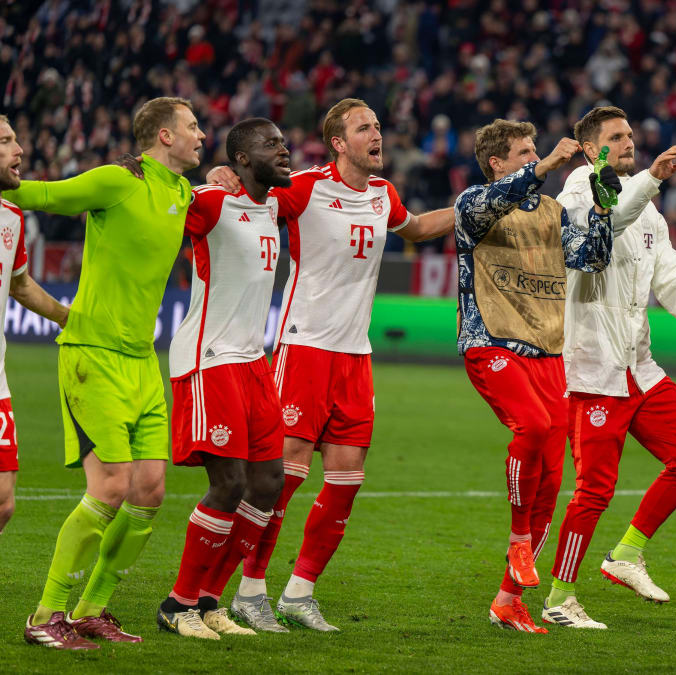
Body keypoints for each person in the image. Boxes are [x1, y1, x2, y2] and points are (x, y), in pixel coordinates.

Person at [207, 98, 455, 632]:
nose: (377, 135)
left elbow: (415, 228)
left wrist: (473, 206)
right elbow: (249, 196)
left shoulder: (383, 193)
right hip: (305, 350)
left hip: (355, 357)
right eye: (364, 128)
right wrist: (219, 175)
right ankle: (250, 591)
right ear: (339, 143)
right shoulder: (305, 187)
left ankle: (300, 593)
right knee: (281, 480)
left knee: (346, 481)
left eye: (378, 126)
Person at [7, 97, 203, 648]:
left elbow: (222, 197)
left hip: (143, 361)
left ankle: (91, 609)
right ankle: (45, 615)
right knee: (112, 486)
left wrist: (222, 179)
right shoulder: (117, 180)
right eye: (192, 126)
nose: (201, 134)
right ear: (164, 135)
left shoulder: (183, 192)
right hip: (92, 356)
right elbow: (44, 195)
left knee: (150, 491)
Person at [542, 106, 676, 629]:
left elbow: (669, 273)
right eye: (616, 136)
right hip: (594, 368)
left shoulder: (648, 207)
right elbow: (607, 224)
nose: (628, 141)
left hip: (639, 365)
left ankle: (626, 554)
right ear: (591, 150)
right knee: (594, 491)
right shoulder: (578, 192)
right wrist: (652, 178)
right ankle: (559, 598)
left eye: (630, 134)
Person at [455, 118, 616, 633]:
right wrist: (545, 165)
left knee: (551, 481)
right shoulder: (472, 204)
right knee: (532, 426)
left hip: (548, 352)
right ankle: (519, 538)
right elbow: (497, 198)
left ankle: (508, 599)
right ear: (496, 163)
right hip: (492, 342)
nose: (533, 157)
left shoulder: (552, 211)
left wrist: (602, 211)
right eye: (523, 153)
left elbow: (591, 260)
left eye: (534, 150)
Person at [156, 118, 294, 639]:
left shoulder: (276, 204)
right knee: (229, 483)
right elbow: (159, 205)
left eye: (284, 142)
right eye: (270, 144)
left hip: (253, 360)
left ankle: (210, 601)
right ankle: (179, 603)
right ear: (241, 158)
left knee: (269, 483)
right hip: (209, 356)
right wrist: (203, 177)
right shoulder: (213, 202)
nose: (283, 150)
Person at [0, 116, 71, 543]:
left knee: (3, 501)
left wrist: (67, 318)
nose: (20, 150)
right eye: (5, 141)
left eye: (16, 140)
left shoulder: (11, 218)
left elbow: (21, 284)